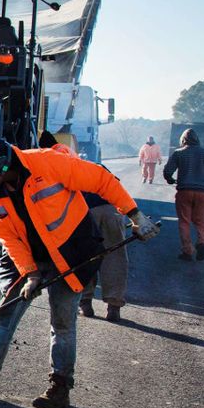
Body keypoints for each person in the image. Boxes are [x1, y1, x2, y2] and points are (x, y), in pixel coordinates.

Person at [0, 138, 158, 408]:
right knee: (6, 313)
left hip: (71, 250)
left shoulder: (48, 162)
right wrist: (30, 274)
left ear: (4, 164)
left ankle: (60, 387)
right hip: (28, 254)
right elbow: (7, 236)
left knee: (63, 320)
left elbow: (102, 179)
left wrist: (136, 215)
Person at [37, 131, 130, 322]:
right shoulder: (91, 164)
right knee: (115, 256)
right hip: (112, 209)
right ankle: (114, 306)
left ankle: (85, 303)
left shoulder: (55, 166)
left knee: (85, 256)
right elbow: (115, 185)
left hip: (88, 212)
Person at [164, 127, 204, 261]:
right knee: (201, 221)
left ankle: (187, 251)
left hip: (184, 192)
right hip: (202, 193)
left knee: (184, 221)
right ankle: (202, 242)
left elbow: (168, 171)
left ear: (183, 140)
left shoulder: (178, 153)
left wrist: (169, 179)